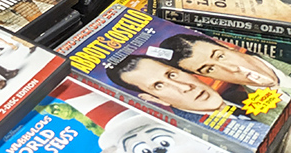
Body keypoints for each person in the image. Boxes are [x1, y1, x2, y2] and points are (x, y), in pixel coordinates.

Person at [107, 54, 251, 117]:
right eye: (159, 86)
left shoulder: (241, 95)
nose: (185, 87)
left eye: (172, 75)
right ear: (155, 99)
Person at [162, 33, 291, 94]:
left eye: (221, 56)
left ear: (226, 46)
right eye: (210, 69)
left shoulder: (283, 48)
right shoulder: (261, 115)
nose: (232, 69)